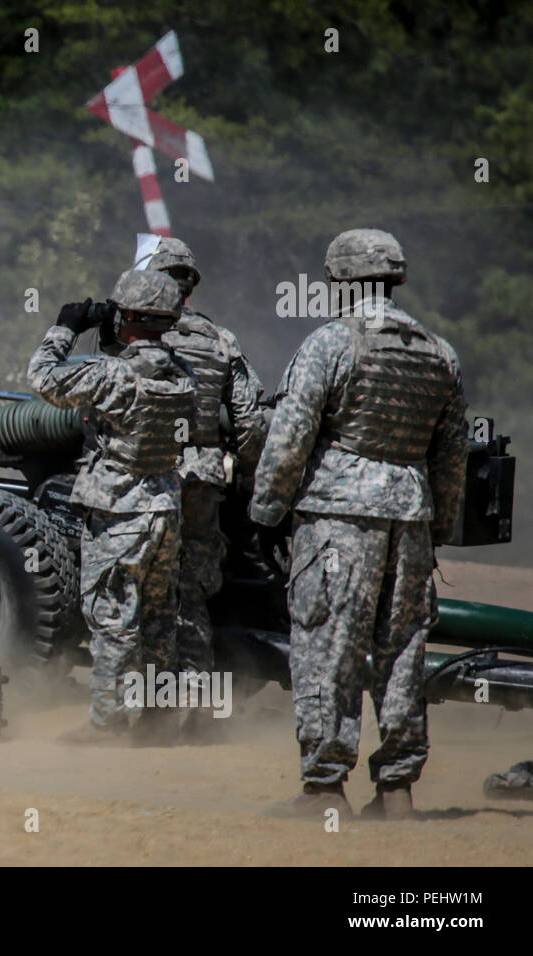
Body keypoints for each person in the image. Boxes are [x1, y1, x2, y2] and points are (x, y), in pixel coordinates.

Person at [249, 228, 469, 819]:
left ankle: (324, 788)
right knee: (402, 652)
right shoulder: (440, 353)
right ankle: (396, 790)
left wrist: (267, 511)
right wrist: (437, 527)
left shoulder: (331, 343)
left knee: (329, 646)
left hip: (337, 521)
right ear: (395, 278)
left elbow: (290, 436)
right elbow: (452, 456)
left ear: (339, 281)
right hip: (411, 519)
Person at [28, 269, 196, 744]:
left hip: (120, 512)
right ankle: (161, 722)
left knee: (112, 618)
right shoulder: (182, 373)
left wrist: (66, 326)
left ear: (129, 318)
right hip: (164, 508)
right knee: (160, 619)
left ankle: (108, 722)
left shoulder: (111, 374)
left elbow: (41, 377)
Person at [146, 238, 267, 735]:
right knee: (193, 591)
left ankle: (150, 708)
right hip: (203, 478)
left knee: (147, 588)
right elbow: (251, 421)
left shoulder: (139, 334)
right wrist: (243, 470)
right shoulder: (222, 340)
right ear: (190, 285)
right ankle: (195, 706)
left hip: (148, 474)